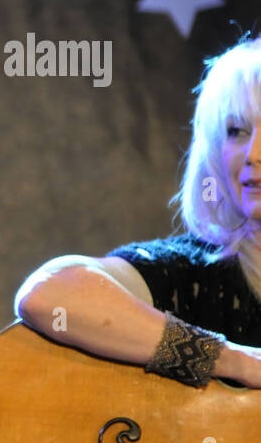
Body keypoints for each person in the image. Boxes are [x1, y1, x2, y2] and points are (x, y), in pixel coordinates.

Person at [15, 36, 261, 387]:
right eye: (236, 131)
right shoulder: (194, 276)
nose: (252, 153)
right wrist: (238, 361)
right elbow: (48, 294)